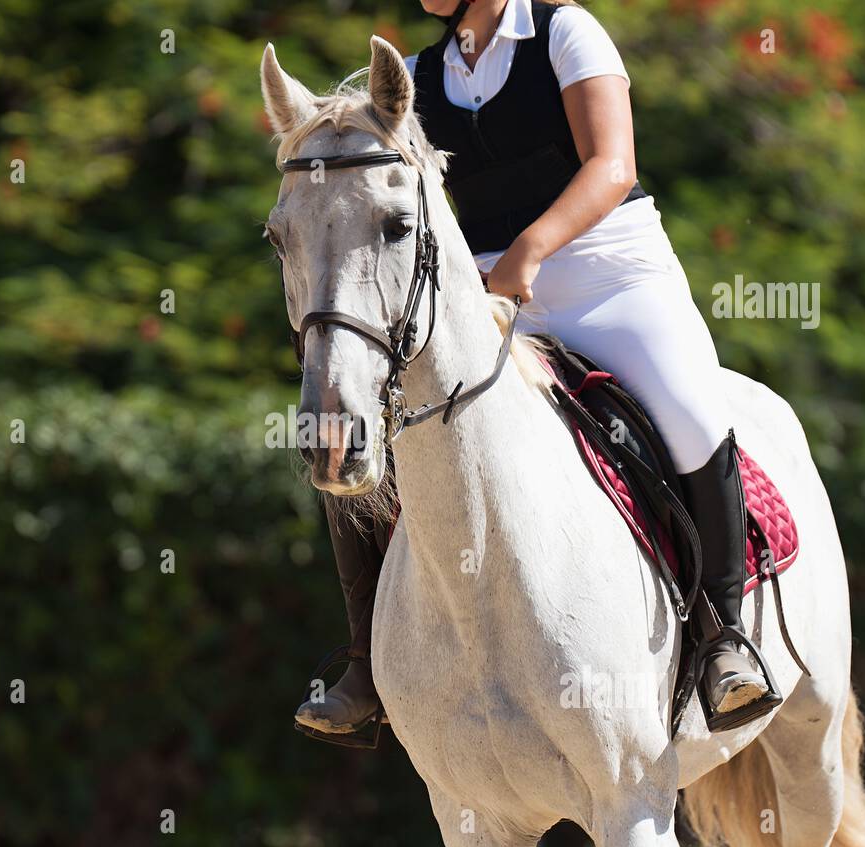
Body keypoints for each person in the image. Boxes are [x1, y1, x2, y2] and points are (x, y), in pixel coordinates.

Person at [294, 0, 779, 739]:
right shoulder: (419, 73)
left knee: (689, 412)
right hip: (482, 292)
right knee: (355, 434)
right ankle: (366, 664)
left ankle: (724, 636)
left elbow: (612, 166)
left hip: (608, 276)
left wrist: (532, 249)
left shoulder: (565, 31)